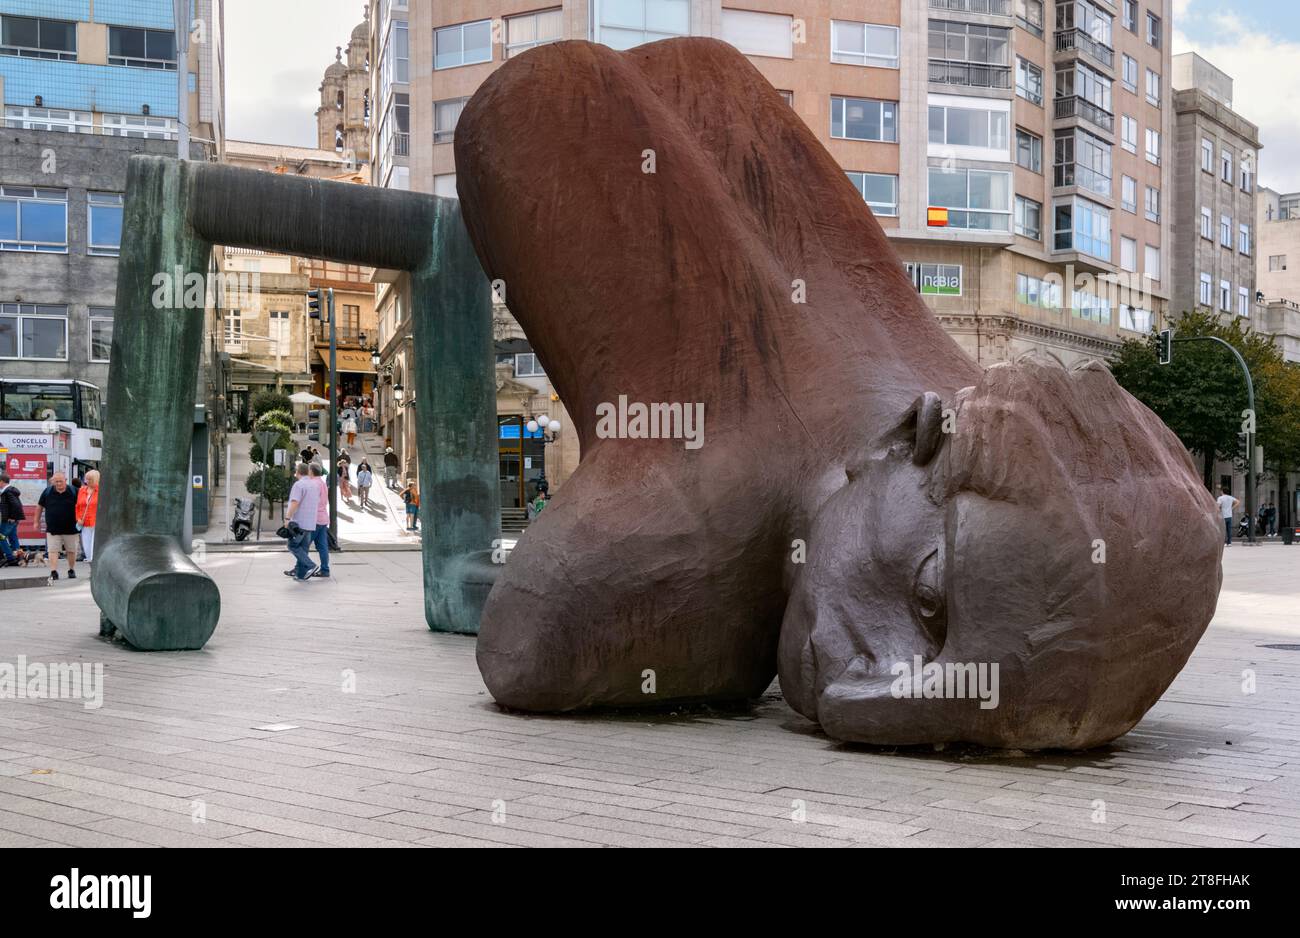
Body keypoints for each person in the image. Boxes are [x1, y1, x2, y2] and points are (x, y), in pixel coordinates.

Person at [37, 472, 80, 582]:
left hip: (71, 527)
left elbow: (82, 506)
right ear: (52, 481)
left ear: (65, 480)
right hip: (53, 527)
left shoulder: (74, 491)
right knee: (53, 550)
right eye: (56, 481)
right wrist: (35, 521)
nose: (59, 483)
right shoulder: (47, 492)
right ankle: (53, 571)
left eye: (61, 481)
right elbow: (39, 506)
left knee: (71, 550)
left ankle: (71, 569)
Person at [283, 463, 320, 581]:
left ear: (298, 472)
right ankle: (300, 574)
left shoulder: (299, 485)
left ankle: (311, 565)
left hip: (299, 523)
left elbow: (295, 502)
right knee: (303, 549)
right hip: (310, 522)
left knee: (292, 545)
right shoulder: (315, 485)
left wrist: (287, 519)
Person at [0, 472, 29, 567]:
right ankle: (18, 558)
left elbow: (16, 505)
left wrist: (12, 517)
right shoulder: (10, 491)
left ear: (1, 482)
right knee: (13, 538)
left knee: (1, 537)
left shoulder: (7, 491)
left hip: (9, 520)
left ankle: (10, 558)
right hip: (12, 520)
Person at [308, 463, 331, 578]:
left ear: (311, 472)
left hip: (314, 519)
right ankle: (325, 570)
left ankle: (302, 567)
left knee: (303, 545)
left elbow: (311, 501)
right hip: (323, 518)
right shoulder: (322, 483)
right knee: (323, 546)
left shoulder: (313, 484)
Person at [76, 469, 100, 563]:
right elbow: (77, 506)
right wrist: (78, 518)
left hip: (96, 521)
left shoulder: (101, 491)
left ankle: (94, 560)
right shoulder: (82, 490)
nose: (87, 481)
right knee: (86, 543)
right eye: (86, 479)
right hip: (84, 521)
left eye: (90, 479)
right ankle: (90, 559)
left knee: (94, 543)